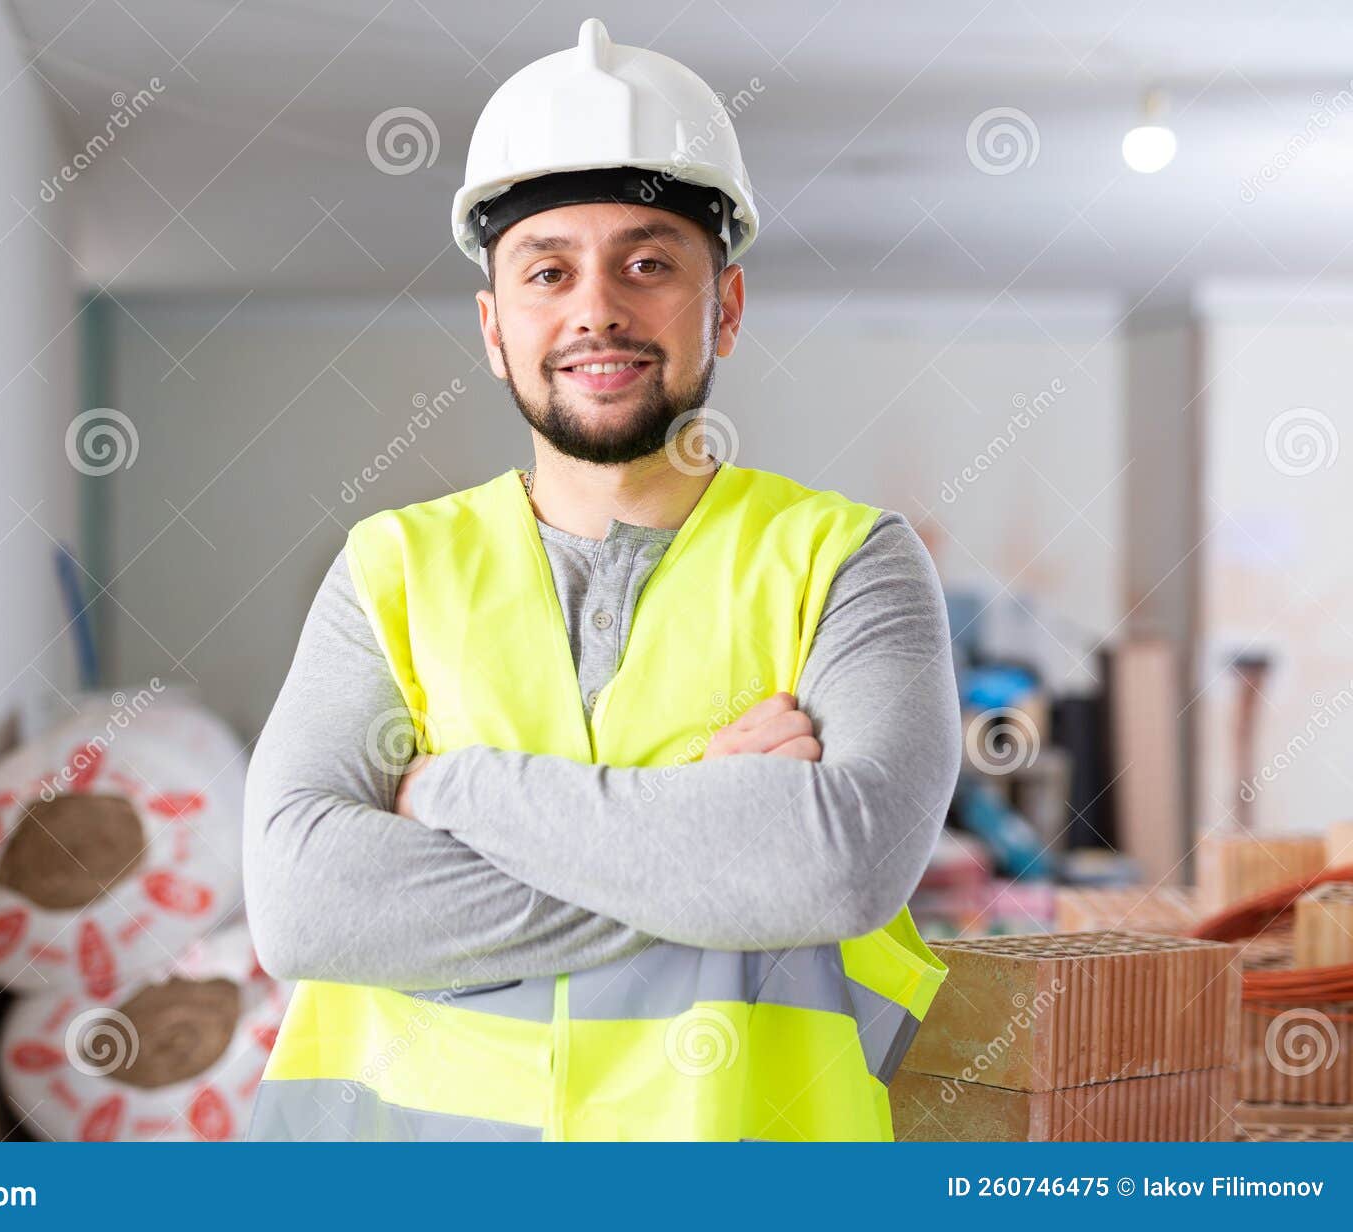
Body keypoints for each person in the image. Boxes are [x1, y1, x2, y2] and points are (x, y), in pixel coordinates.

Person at [243, 18, 960, 1142]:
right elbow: (304, 906)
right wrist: (708, 833)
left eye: (648, 263)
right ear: (494, 328)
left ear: (725, 306)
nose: (595, 309)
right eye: (548, 271)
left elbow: (838, 868)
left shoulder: (847, 560)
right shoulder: (393, 568)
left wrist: (453, 792)